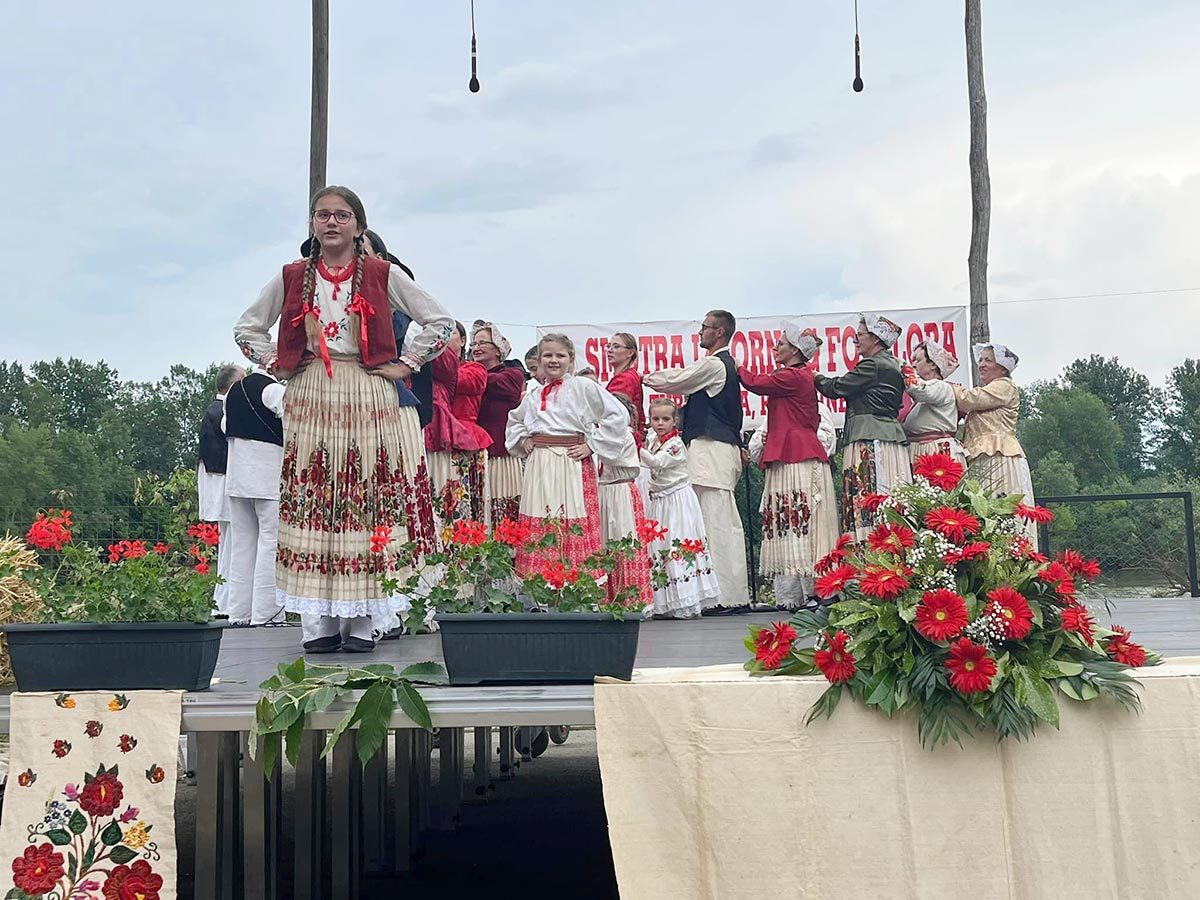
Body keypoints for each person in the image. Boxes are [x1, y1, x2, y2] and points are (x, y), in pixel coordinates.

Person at [234, 185, 452, 653]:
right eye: (322, 215)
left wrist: (409, 363)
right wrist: (279, 361)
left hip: (368, 390)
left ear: (357, 224)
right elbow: (246, 326)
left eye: (341, 215)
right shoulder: (293, 277)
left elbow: (440, 322)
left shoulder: (381, 273)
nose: (331, 223)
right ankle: (322, 625)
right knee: (319, 501)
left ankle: (361, 623)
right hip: (313, 390)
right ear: (312, 224)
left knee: (361, 499)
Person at [643, 310, 748, 611]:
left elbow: (680, 379)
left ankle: (727, 595)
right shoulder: (720, 364)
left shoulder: (715, 364)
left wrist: (646, 378)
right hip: (709, 447)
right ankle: (713, 593)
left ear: (720, 332)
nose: (700, 333)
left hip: (712, 448)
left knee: (716, 519)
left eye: (705, 328)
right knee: (705, 520)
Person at [505, 333, 628, 575]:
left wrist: (592, 445)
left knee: (571, 516)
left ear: (571, 360)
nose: (554, 360)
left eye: (560, 355)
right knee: (540, 517)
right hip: (540, 463)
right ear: (539, 360)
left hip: (571, 461)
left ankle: (576, 586)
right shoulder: (534, 395)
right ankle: (541, 585)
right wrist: (524, 439)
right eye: (548, 355)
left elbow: (618, 414)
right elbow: (515, 420)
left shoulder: (583, 386)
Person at [737, 326, 837, 609]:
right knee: (794, 523)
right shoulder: (798, 375)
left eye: (780, 343)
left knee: (800, 523)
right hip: (793, 456)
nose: (775, 347)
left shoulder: (793, 375)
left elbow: (755, 383)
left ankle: (815, 593)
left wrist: (736, 366)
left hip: (798, 458)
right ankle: (805, 595)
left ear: (794, 350)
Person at [814, 314, 911, 541]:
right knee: (886, 496)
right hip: (888, 436)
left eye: (860, 336)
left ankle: (870, 553)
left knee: (869, 494)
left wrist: (815, 377)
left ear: (876, 339)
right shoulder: (892, 364)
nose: (855, 341)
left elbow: (836, 387)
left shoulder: (873, 365)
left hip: (870, 437)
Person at [639, 398, 721, 618]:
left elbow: (657, 463)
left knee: (677, 542)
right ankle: (665, 601)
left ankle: (686, 601)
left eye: (666, 419)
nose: (660, 423)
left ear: (675, 420)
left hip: (677, 499)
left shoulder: (676, 444)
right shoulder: (653, 441)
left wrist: (634, 445)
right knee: (660, 545)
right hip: (660, 499)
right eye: (655, 419)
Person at [221, 366, 286, 626]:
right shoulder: (273, 389)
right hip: (267, 475)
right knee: (270, 542)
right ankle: (266, 612)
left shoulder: (233, 393)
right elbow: (293, 418)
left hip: (237, 476)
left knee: (242, 544)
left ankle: (239, 612)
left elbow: (225, 425)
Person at [953, 342, 1037, 542]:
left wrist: (947, 388)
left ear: (1002, 367)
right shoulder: (992, 389)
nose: (981, 364)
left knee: (1000, 508)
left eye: (988, 360)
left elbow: (969, 399)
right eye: (980, 360)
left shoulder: (1004, 385)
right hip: (984, 458)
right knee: (987, 513)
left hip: (999, 457)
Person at [426, 321, 492, 535]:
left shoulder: (475, 369)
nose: (444, 336)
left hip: (465, 440)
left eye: (450, 332)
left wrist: (433, 352)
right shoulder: (429, 364)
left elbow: (452, 376)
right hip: (435, 436)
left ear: (463, 341)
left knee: (463, 502)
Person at [597, 395, 654, 612]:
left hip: (619, 490)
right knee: (605, 542)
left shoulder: (625, 436)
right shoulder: (604, 435)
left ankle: (630, 599)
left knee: (622, 540)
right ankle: (607, 598)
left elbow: (612, 457)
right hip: (604, 490)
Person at [197, 364, 245, 615]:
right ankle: (227, 604)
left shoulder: (211, 410)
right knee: (234, 546)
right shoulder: (226, 411)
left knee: (229, 545)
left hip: (217, 483)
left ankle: (223, 602)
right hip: (226, 484)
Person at [473, 321, 527, 523]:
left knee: (502, 506)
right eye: (474, 344)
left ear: (497, 348)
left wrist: (470, 374)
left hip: (501, 454)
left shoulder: (511, 374)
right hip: (477, 452)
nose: (476, 347)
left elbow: (492, 384)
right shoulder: (473, 372)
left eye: (482, 343)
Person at [903, 339, 969, 468]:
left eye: (917, 360)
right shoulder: (921, 398)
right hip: (922, 449)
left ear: (933, 364)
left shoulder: (941, 387)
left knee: (938, 485)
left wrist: (901, 367)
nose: (913, 365)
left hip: (936, 449)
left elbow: (918, 388)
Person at [605, 332, 645, 440]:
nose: (610, 350)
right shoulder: (630, 375)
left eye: (616, 346)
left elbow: (611, 416)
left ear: (630, 352)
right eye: (609, 346)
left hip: (621, 440)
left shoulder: (624, 379)